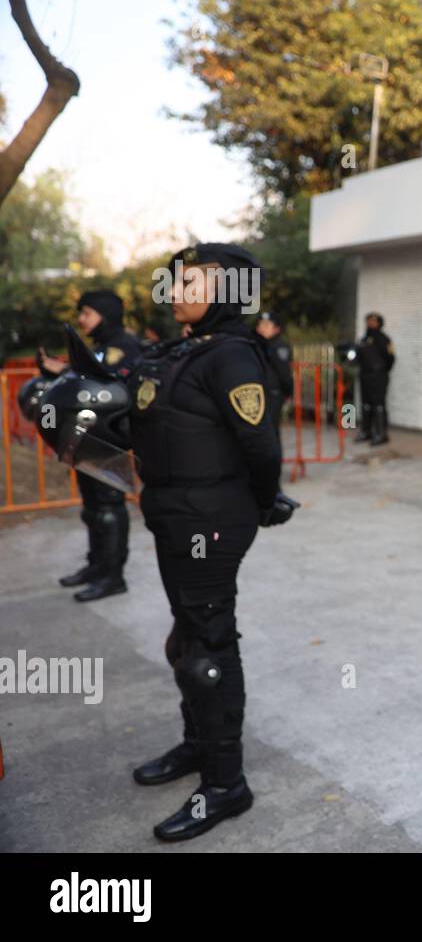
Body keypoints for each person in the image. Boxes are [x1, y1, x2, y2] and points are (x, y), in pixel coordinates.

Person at [125, 243, 297, 841]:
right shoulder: (177, 352)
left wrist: (264, 498)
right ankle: (200, 746)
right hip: (172, 512)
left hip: (211, 519)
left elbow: (261, 446)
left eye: (192, 282)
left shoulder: (232, 356)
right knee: (188, 639)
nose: (175, 290)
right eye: (175, 280)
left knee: (207, 648)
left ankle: (227, 784)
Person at [38, 290, 141, 602]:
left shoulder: (123, 346)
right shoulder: (99, 348)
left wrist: (66, 373)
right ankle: (97, 566)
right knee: (93, 507)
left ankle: (112, 576)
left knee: (108, 506)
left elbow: (108, 385)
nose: (82, 320)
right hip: (88, 438)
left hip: (108, 438)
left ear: (105, 314)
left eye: (87, 313)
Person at [354, 311, 394, 445]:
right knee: (365, 405)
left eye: (373, 321)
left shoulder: (385, 339)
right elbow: (358, 356)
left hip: (379, 377)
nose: (370, 323)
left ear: (379, 323)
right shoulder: (363, 339)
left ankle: (381, 434)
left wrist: (381, 371)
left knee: (378, 406)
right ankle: (366, 432)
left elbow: (391, 359)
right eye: (368, 321)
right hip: (365, 376)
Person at [255, 310, 293, 426]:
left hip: (273, 394)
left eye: (266, 325)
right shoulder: (258, 345)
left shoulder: (278, 347)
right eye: (260, 324)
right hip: (259, 394)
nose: (262, 328)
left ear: (276, 329)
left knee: (270, 430)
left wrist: (288, 391)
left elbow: (284, 373)